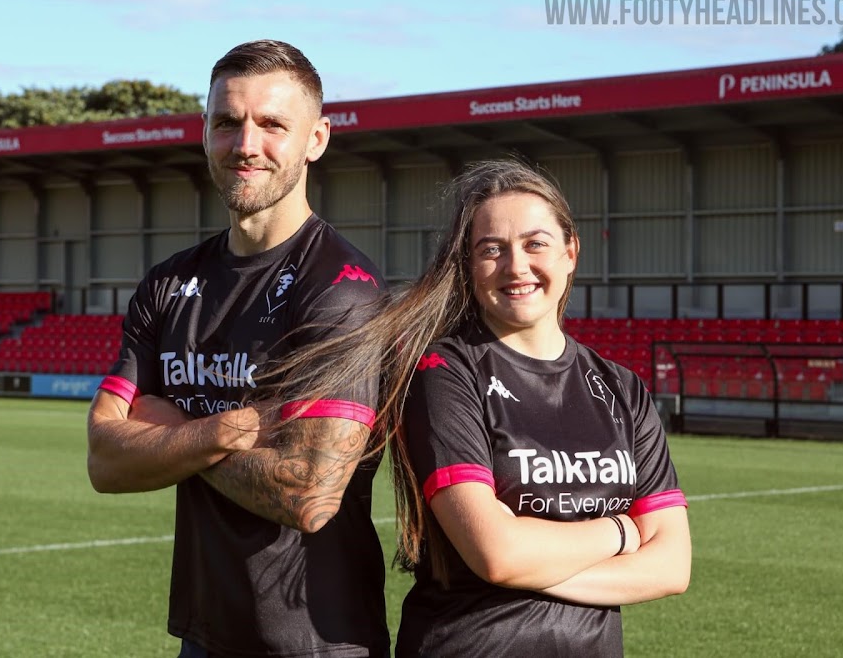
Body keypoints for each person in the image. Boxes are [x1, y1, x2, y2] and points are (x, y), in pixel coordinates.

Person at [273, 157, 691, 657]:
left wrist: (531, 562)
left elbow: (671, 566)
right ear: (469, 266)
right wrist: (620, 531)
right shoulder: (442, 371)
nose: (516, 266)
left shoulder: (622, 388)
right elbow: (497, 554)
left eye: (536, 244)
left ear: (570, 252)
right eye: (492, 250)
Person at [86, 39, 390, 658]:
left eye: (272, 124)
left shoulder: (343, 289)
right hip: (205, 636)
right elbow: (105, 461)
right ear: (205, 132)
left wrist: (178, 432)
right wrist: (234, 430)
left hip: (318, 642)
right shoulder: (169, 283)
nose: (246, 144)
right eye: (227, 122)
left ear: (317, 139)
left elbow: (309, 492)